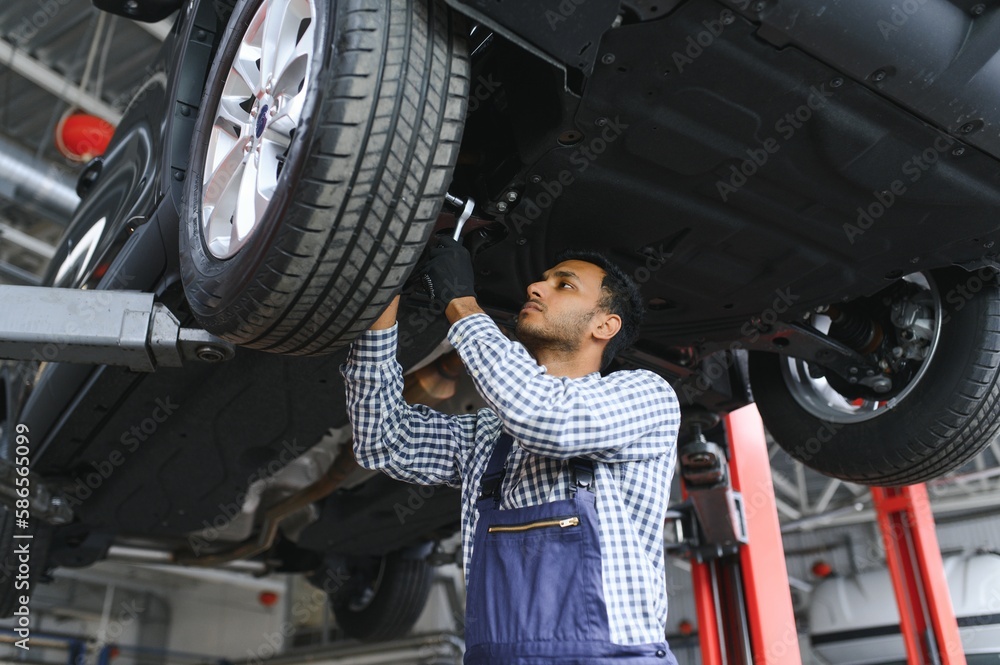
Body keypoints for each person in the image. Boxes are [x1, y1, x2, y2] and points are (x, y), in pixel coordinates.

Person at [341, 237, 680, 664]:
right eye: (541, 280)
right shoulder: (489, 437)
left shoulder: (646, 397)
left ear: (605, 326)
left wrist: (463, 306)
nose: (535, 289)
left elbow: (548, 419)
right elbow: (383, 441)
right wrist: (382, 304)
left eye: (564, 285)